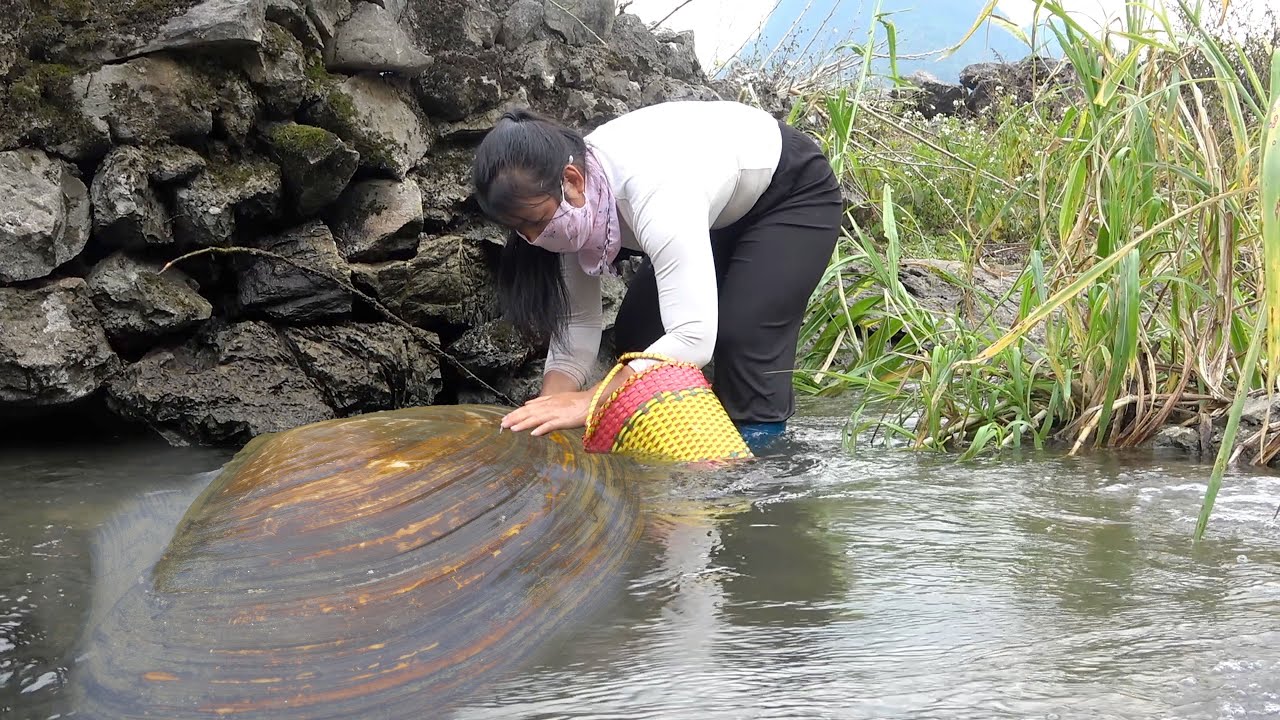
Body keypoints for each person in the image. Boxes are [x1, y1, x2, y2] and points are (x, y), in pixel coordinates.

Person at [471, 100, 843, 447]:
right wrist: (549, 407)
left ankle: (765, 470)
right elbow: (579, 323)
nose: (533, 239)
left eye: (534, 221)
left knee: (743, 336)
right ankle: (696, 427)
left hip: (789, 194)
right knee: (640, 333)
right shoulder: (573, 207)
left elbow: (693, 336)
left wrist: (590, 401)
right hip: (714, 211)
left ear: (572, 181)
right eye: (519, 229)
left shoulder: (651, 190)